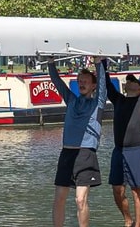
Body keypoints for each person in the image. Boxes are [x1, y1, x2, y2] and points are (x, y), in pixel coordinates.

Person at [49, 56, 108, 227]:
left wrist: (98, 63)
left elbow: (103, 86)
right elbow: (56, 81)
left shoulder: (98, 103)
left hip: (85, 154)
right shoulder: (72, 100)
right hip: (67, 153)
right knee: (59, 197)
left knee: (80, 200)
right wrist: (51, 63)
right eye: (80, 81)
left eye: (86, 82)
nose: (82, 84)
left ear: (93, 85)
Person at [105, 58, 140, 227]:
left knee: (137, 191)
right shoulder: (119, 100)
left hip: (137, 150)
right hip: (118, 150)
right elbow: (106, 85)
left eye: (132, 80)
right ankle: (128, 220)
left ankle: (138, 225)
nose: (128, 81)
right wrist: (102, 63)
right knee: (117, 190)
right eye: (127, 80)